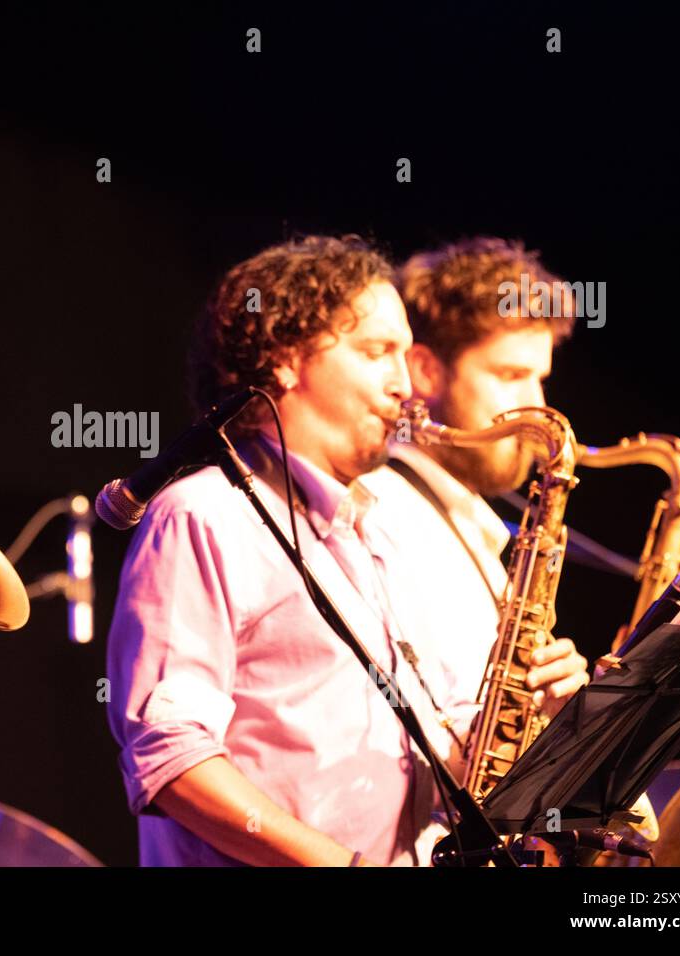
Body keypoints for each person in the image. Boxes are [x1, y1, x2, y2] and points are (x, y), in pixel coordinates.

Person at [105, 234, 585, 866]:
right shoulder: (202, 516)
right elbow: (171, 761)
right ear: (284, 360)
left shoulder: (372, 527)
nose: (402, 385)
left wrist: (528, 728)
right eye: (377, 352)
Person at [360, 237, 589, 859]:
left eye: (540, 377)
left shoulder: (471, 530)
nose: (537, 406)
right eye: (511, 375)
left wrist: (556, 715)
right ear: (427, 372)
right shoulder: (377, 512)